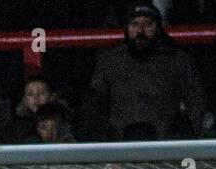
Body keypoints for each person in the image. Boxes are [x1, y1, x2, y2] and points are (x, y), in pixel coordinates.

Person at [80, 3, 205, 141]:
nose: (140, 31)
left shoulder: (176, 59)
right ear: (127, 28)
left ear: (157, 27)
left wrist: (185, 140)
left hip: (166, 144)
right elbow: (94, 103)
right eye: (134, 24)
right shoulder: (111, 60)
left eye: (147, 25)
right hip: (119, 145)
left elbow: (195, 101)